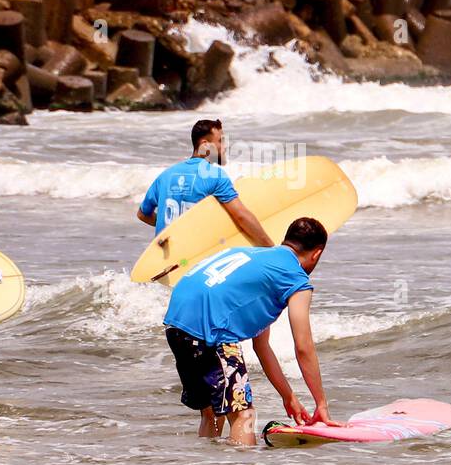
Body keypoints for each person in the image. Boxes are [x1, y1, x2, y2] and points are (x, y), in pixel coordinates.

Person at [162, 217, 335, 445]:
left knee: (213, 413)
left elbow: (261, 346)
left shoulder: (253, 257)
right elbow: (303, 347)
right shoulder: (295, 277)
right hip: (211, 331)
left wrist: (289, 397)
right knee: (244, 415)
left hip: (177, 324)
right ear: (316, 254)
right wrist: (321, 403)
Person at [137, 118, 274, 246]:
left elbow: (143, 214)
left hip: (163, 255)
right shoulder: (215, 176)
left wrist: (171, 228)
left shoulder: (165, 175)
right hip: (193, 257)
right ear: (205, 145)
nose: (224, 147)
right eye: (220, 141)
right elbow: (241, 217)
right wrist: (271, 247)